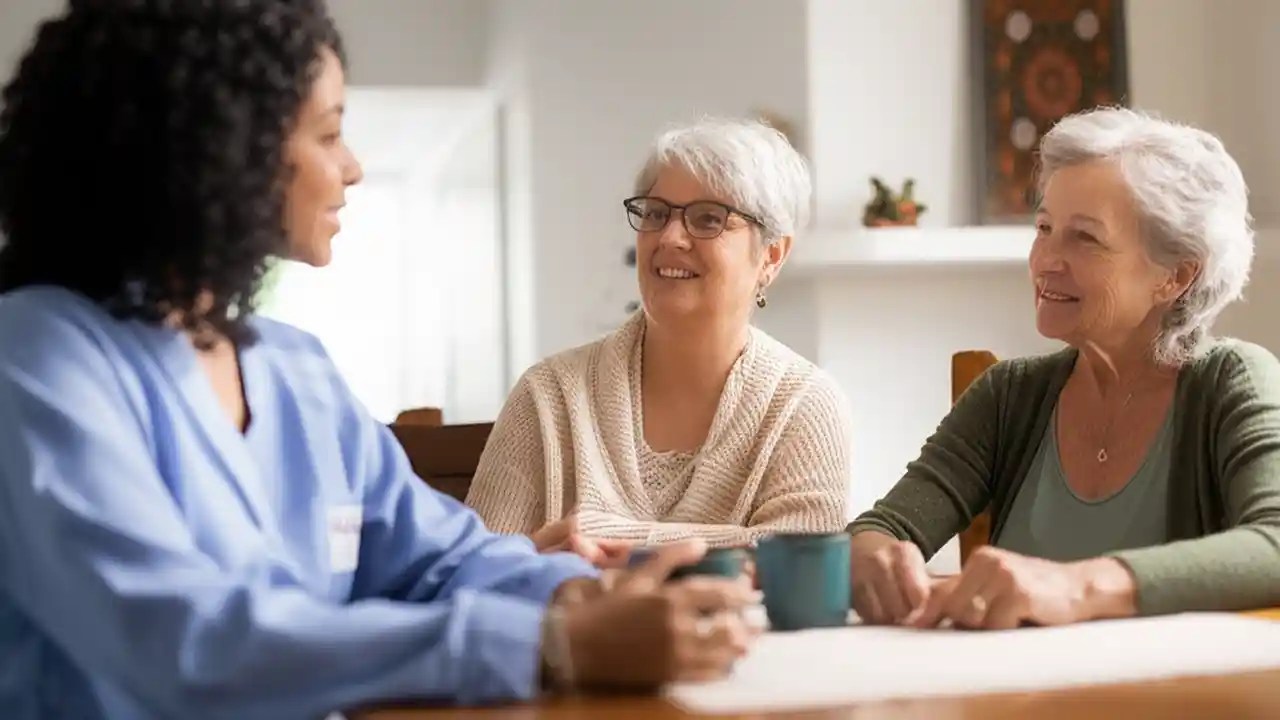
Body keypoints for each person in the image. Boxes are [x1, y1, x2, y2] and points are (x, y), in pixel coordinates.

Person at [0, 3, 754, 718]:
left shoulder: (294, 370)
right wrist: (552, 644)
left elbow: (438, 559)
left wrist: (581, 596)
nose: (352, 167)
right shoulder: (36, 360)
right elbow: (182, 640)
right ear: (225, 151)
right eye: (329, 135)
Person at [846, 106, 1280, 631]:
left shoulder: (1231, 379)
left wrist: (1079, 586)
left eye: (1085, 237)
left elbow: (1274, 541)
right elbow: (885, 527)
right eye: (1045, 227)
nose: (1046, 259)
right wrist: (872, 555)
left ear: (1176, 277)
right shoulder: (1008, 395)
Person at [465, 118, 853, 554]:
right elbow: (478, 572)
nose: (669, 237)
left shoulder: (804, 402)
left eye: (708, 219)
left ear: (771, 256)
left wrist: (613, 538)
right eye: (656, 214)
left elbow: (805, 558)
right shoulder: (549, 395)